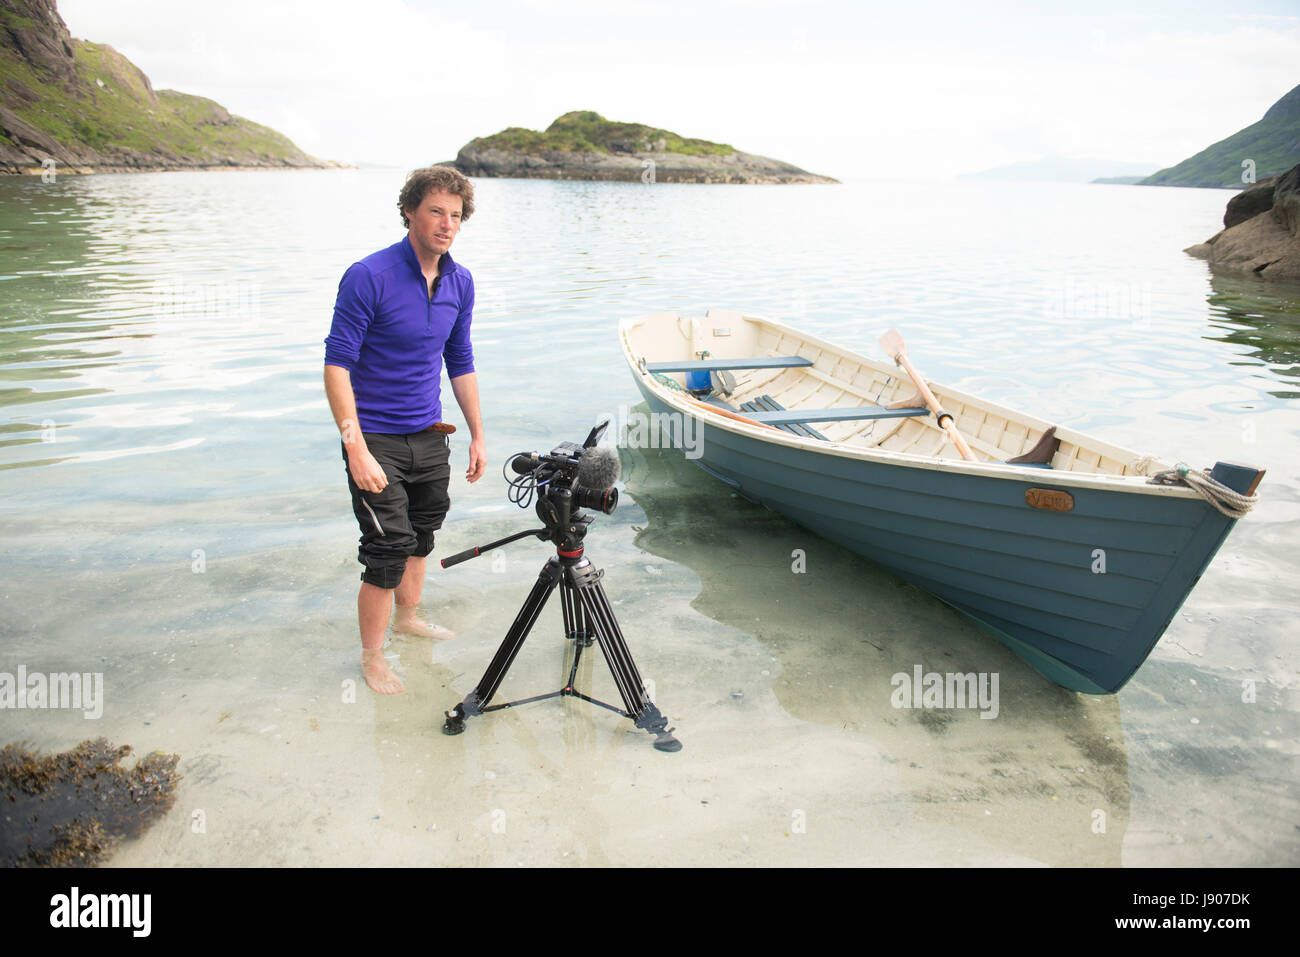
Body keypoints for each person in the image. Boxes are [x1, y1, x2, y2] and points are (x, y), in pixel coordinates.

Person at [323, 166, 486, 694]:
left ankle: (408, 617)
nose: (447, 224)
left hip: (429, 434)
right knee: (387, 545)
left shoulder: (460, 282)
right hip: (374, 439)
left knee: (422, 533)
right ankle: (372, 656)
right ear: (410, 212)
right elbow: (337, 366)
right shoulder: (368, 275)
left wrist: (478, 434)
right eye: (436, 211)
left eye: (456, 215)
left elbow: (459, 359)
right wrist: (356, 449)